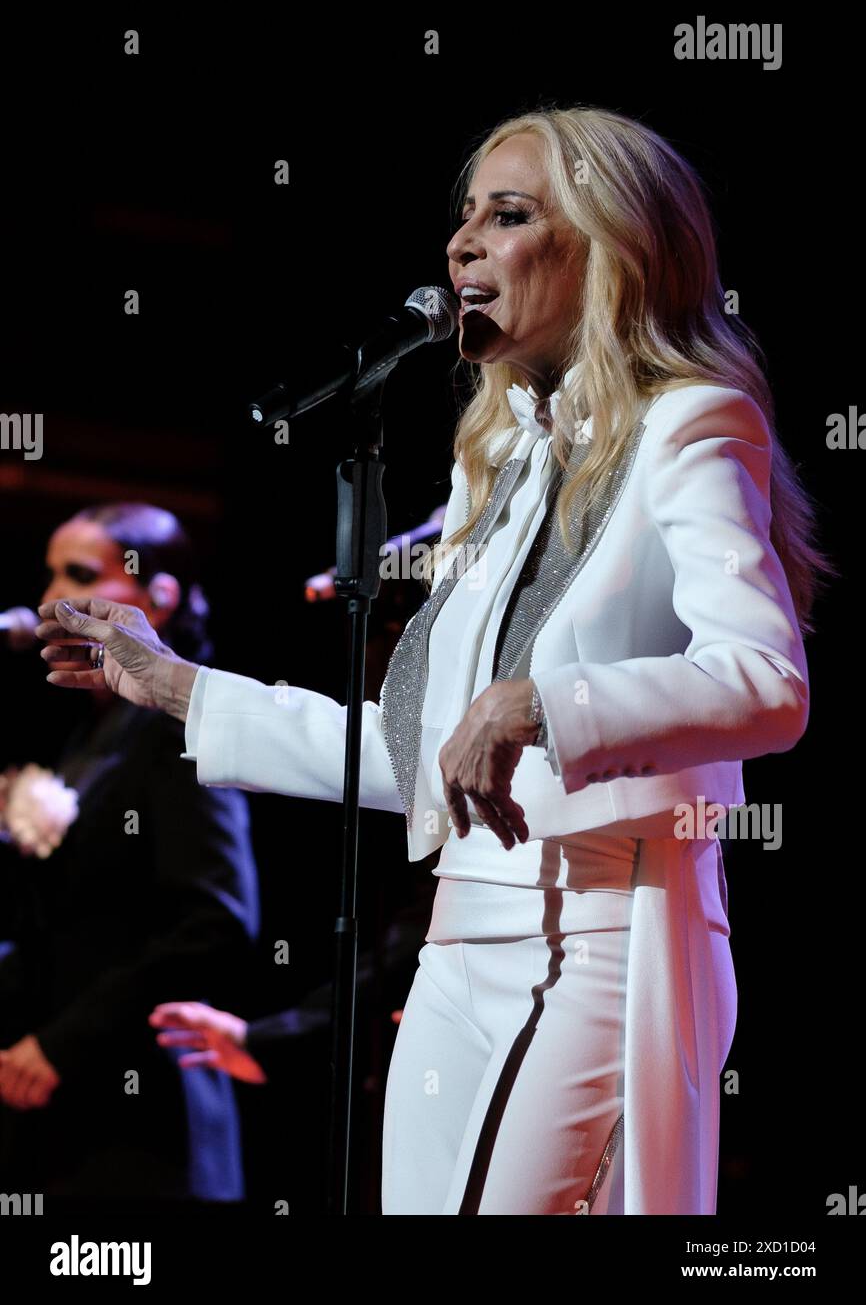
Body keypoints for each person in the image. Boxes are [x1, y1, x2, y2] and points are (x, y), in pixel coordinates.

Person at [34, 106, 825, 1215]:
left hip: (597, 933)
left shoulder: (692, 425)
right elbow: (417, 755)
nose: (460, 246)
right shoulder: (492, 471)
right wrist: (175, 686)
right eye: (462, 218)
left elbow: (765, 684)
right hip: (458, 939)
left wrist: (543, 703)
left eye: (507, 216)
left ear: (610, 248)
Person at [0, 503, 260, 1203]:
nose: (51, 597)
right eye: (49, 573)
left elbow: (216, 917)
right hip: (69, 1127)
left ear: (159, 597)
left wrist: (64, 1043)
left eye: (79, 575)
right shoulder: (92, 736)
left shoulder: (174, 730)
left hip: (148, 1130)